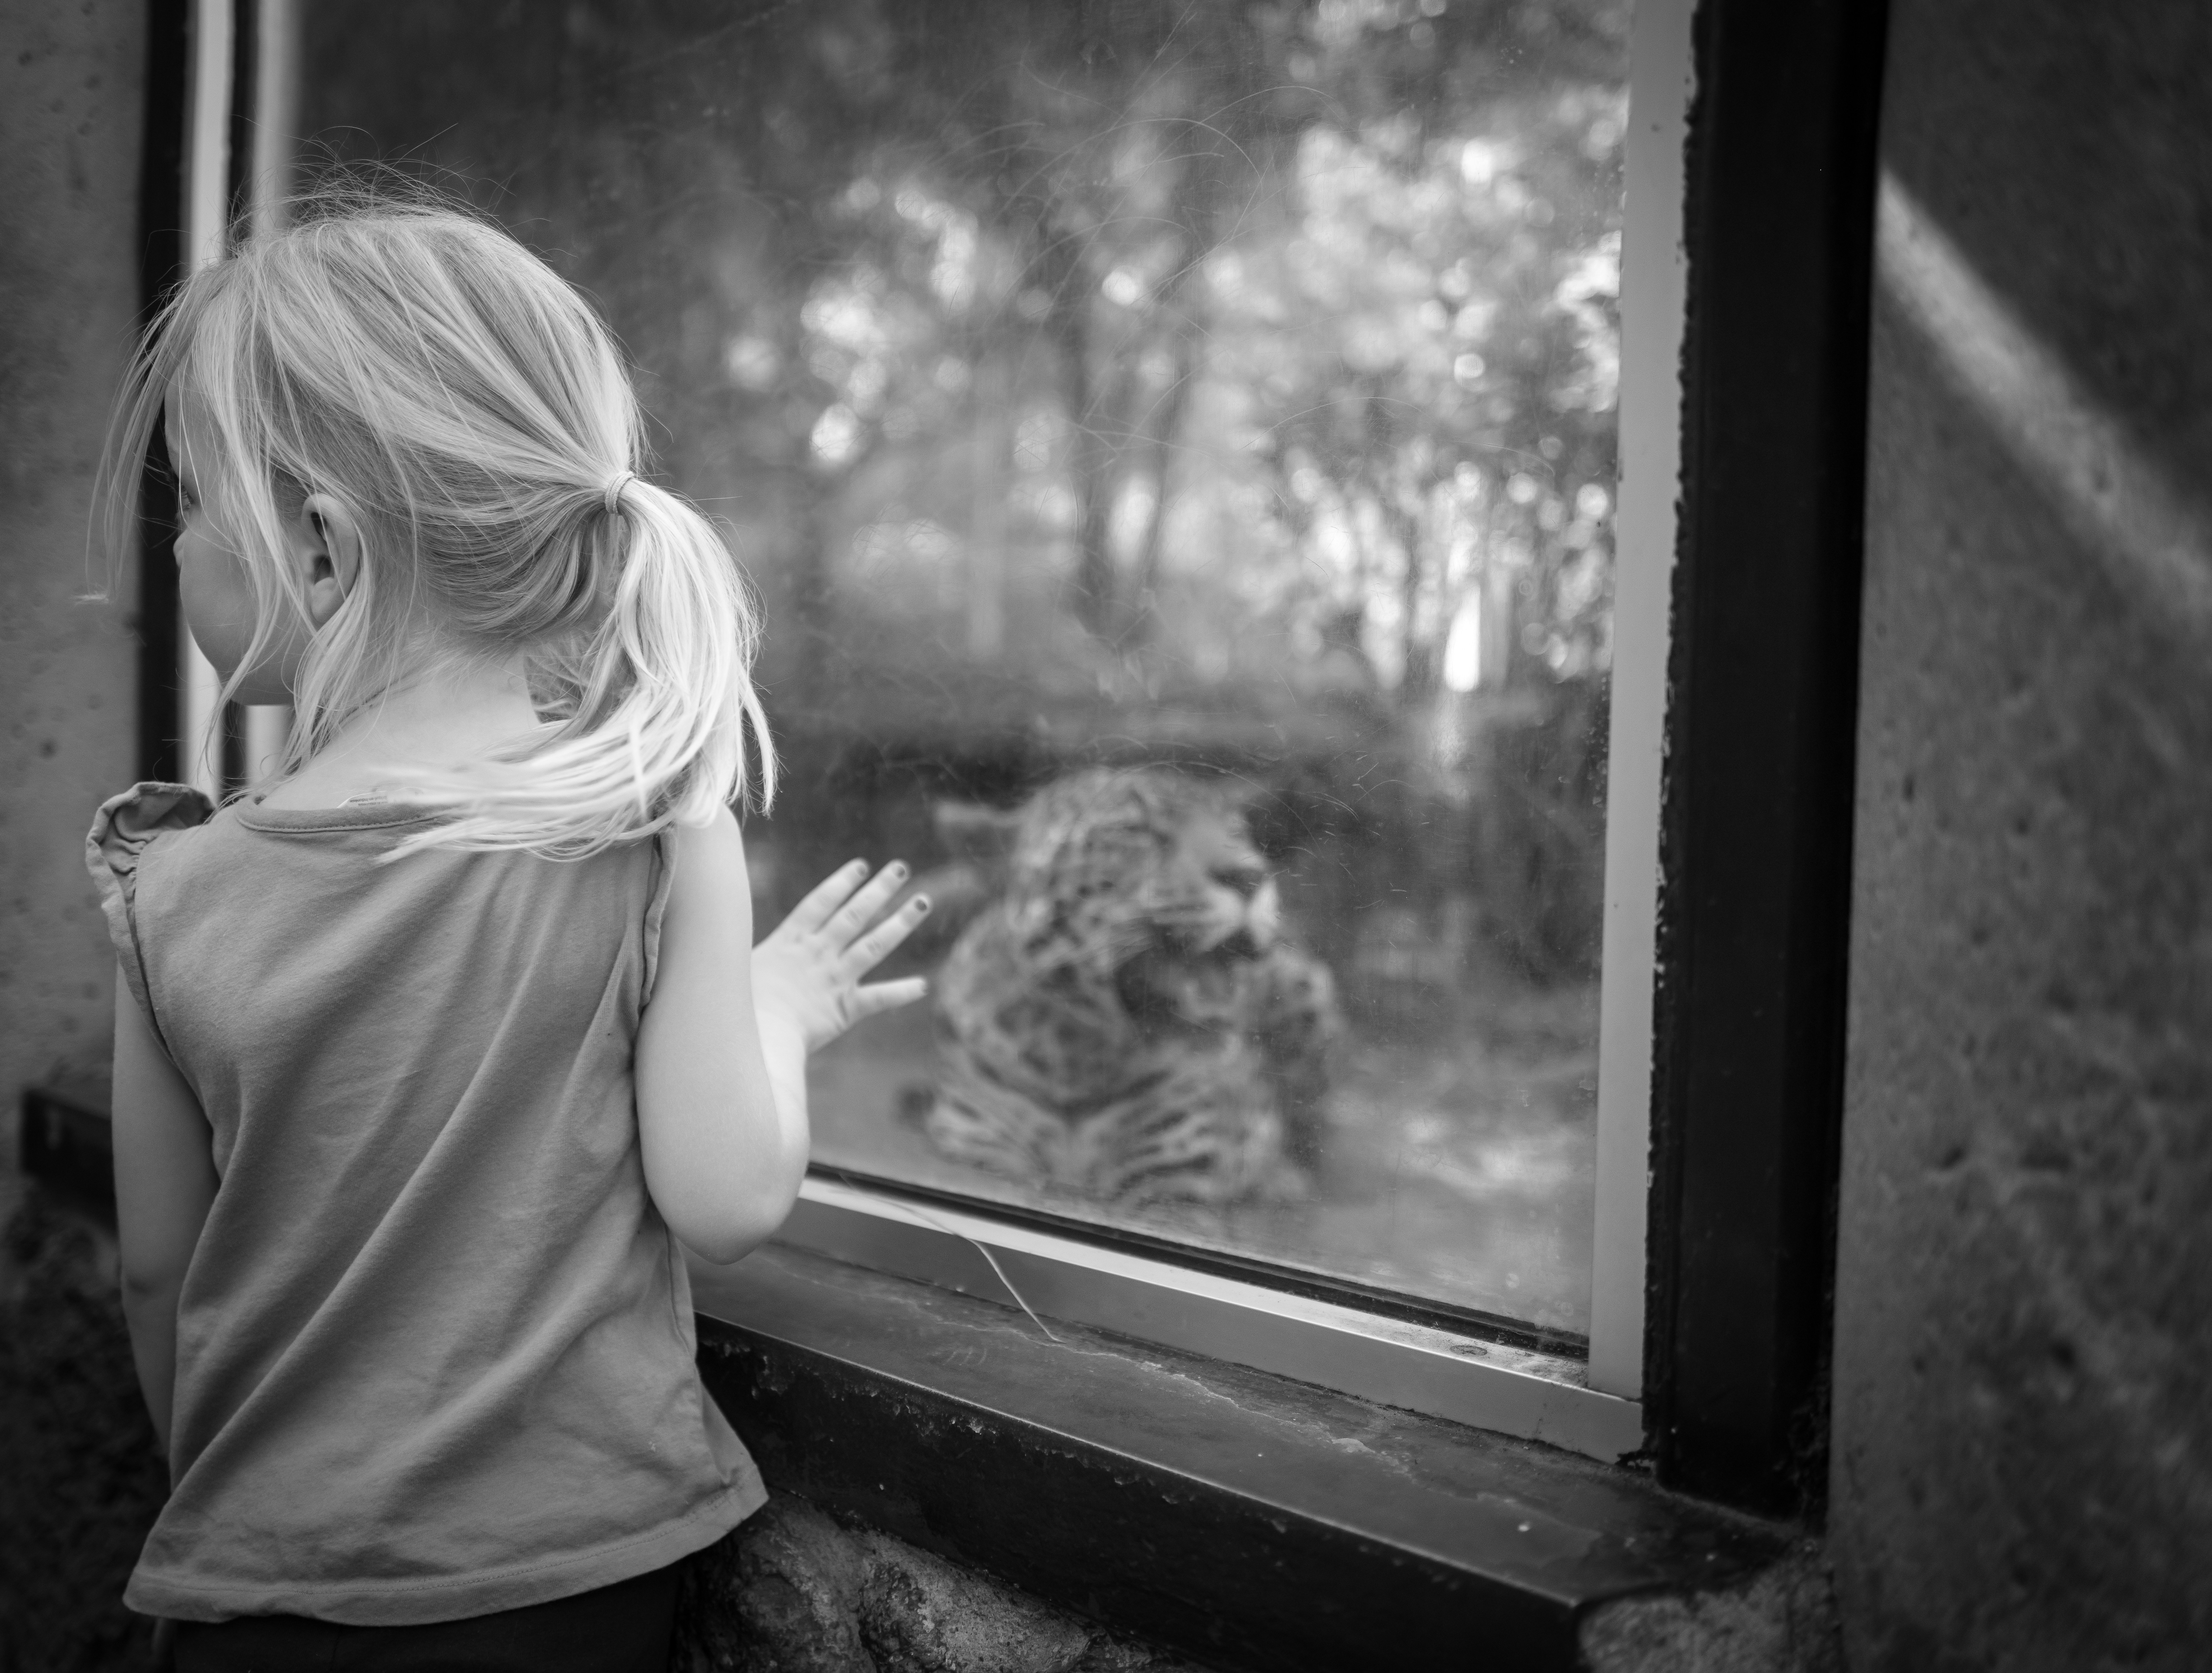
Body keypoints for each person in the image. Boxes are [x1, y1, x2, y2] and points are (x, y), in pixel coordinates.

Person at [89, 188, 931, 1671]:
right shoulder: (651, 831)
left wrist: (224, 1502)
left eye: (194, 506)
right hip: (563, 1598)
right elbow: (727, 1197)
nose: (180, 549)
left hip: (249, 1599)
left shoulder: (173, 887)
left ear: (323, 552)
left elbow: (159, 1266)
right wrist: (777, 1013)